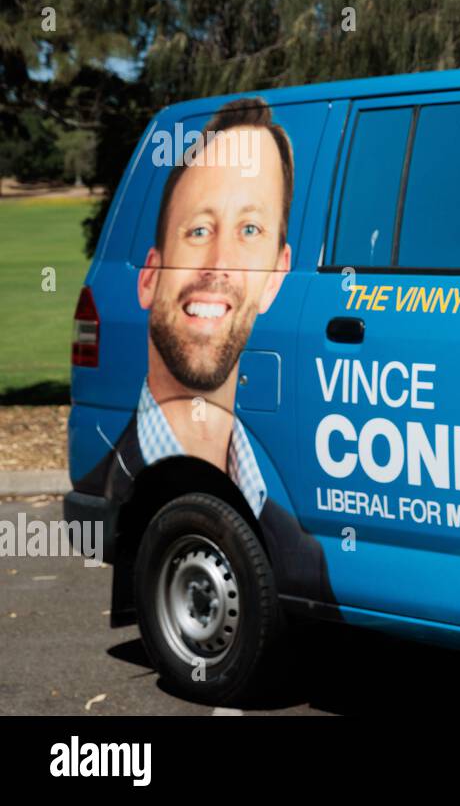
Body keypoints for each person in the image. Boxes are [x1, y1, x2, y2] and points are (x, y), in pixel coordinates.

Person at [77, 96, 332, 603]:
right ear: (149, 275)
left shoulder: (308, 555)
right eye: (198, 230)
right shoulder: (105, 482)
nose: (219, 264)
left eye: (249, 231)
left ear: (276, 277)